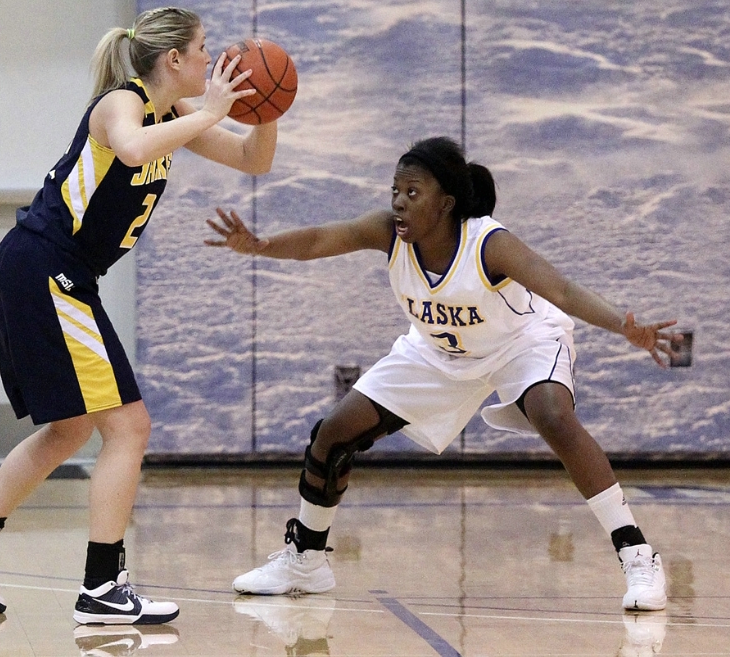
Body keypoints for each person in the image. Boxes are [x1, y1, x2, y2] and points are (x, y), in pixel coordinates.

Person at [206, 136, 678, 611]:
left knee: (553, 417)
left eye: (413, 193)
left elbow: (562, 288)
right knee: (332, 435)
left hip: (522, 342)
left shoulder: (488, 243)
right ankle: (306, 560)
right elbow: (318, 240)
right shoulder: (387, 232)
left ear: (446, 204)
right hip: (436, 351)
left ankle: (638, 556)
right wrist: (261, 246)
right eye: (395, 190)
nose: (398, 202)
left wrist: (624, 327)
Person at [0, 6, 278, 625]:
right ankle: (102, 585)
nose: (210, 59)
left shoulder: (173, 117)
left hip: (47, 271)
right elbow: (133, 145)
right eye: (202, 49)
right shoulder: (122, 103)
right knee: (129, 426)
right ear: (174, 60)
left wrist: (265, 110)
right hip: (43, 265)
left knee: (71, 429)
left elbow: (253, 160)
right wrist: (216, 110)